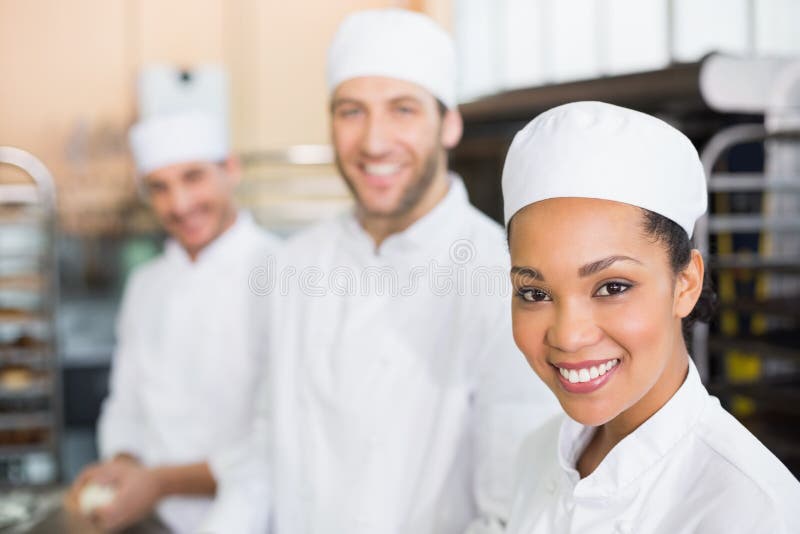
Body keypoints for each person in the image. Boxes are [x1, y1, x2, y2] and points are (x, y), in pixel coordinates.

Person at [201, 8, 557, 534]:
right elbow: (264, 452)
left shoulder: (505, 280)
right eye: (352, 112)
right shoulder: (294, 266)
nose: (373, 141)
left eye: (402, 109)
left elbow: (510, 509)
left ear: (449, 124)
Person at [501, 101, 800, 534]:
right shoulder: (537, 454)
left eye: (612, 287)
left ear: (686, 284)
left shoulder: (755, 512)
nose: (568, 335)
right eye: (535, 293)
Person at [67, 111, 281, 533]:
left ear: (231, 169)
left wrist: (158, 484)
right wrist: (122, 465)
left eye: (193, 177)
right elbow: (126, 404)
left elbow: (278, 440)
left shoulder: (282, 273)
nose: (180, 205)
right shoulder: (146, 285)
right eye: (159, 188)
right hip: (153, 519)